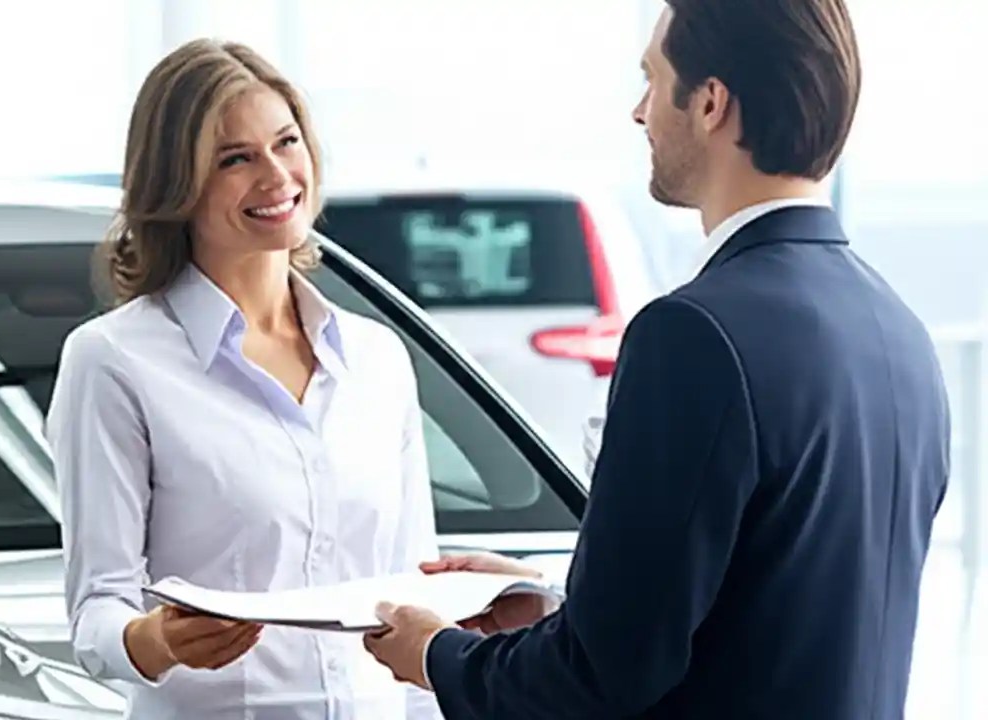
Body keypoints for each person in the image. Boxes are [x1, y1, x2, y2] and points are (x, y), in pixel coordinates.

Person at [362, 1, 951, 718]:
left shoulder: (693, 334)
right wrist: (562, 604)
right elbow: (777, 608)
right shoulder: (898, 330)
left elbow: (598, 678)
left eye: (653, 79)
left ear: (710, 102)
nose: (640, 112)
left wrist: (436, 654)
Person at [45, 38, 444, 720]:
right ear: (177, 184)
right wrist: (158, 641)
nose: (276, 175)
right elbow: (95, 615)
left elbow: (415, 597)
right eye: (235, 158)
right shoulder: (113, 360)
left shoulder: (376, 358)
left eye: (286, 142)